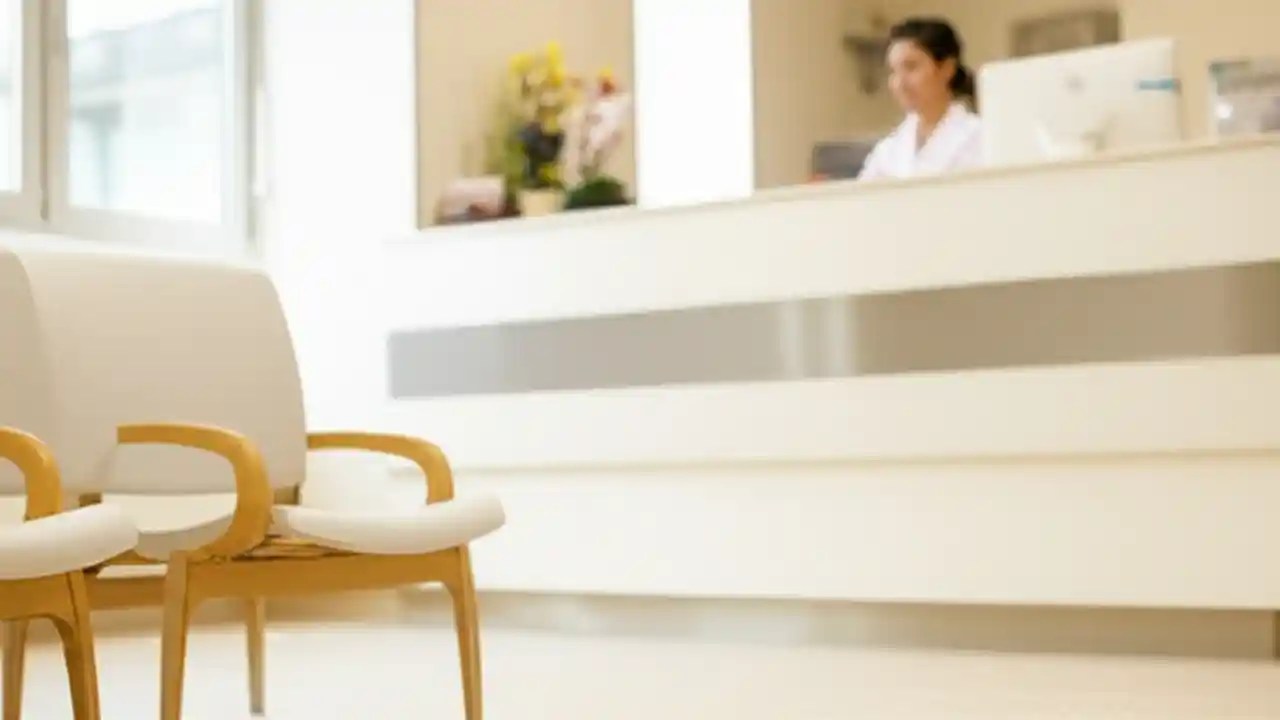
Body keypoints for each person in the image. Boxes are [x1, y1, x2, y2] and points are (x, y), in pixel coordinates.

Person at [858, 18, 983, 182]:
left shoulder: (979, 136)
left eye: (911, 67)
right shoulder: (889, 149)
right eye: (893, 71)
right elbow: (862, 201)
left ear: (947, 69)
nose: (900, 82)